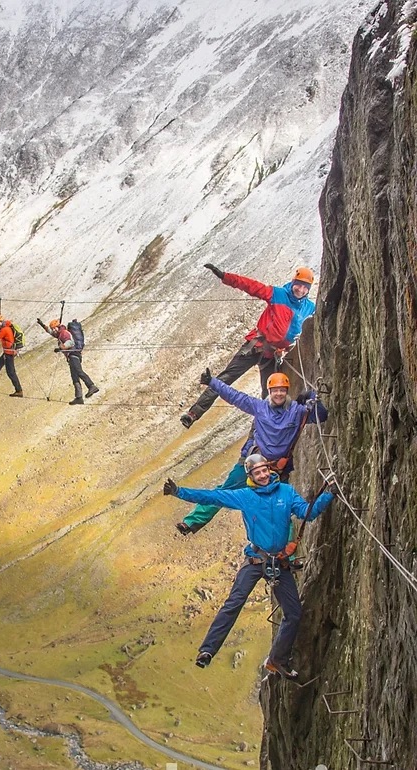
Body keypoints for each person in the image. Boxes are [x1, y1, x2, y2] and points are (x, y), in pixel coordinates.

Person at [163, 455, 336, 679]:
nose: (263, 475)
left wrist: (329, 494)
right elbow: (212, 497)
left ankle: (277, 660)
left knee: (293, 613)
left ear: (269, 470)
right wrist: (179, 492)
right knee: (234, 603)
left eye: (264, 471)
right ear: (251, 476)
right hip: (256, 559)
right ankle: (207, 650)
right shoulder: (245, 496)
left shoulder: (286, 491)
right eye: (258, 473)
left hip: (278, 562)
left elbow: (307, 512)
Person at [178, 371, 328, 535]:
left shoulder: (297, 411)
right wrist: (212, 382)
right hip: (252, 462)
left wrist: (311, 396)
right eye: (275, 390)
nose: (278, 394)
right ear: (269, 392)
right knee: (225, 491)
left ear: (287, 391)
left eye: (282, 390)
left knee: (282, 508)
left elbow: (322, 416)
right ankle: (192, 522)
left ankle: (285, 555)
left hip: (276, 469)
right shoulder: (260, 407)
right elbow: (235, 396)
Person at [180, 265, 316, 428]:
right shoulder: (278, 294)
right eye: (298, 284)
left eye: (304, 287)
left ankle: (258, 436)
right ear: (292, 282)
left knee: (272, 395)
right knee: (226, 378)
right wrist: (225, 276)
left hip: (273, 355)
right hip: (255, 346)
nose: (300, 290)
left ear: (308, 290)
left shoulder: (310, 308)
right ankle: (193, 413)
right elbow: (251, 286)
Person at [37, 318, 99, 405]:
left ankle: (91, 386)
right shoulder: (59, 334)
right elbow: (50, 332)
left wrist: (61, 348)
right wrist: (42, 324)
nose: (53, 329)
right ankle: (79, 397)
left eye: (54, 328)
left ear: (57, 327)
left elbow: (70, 342)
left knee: (78, 371)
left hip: (74, 354)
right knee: (74, 377)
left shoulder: (64, 333)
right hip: (71, 356)